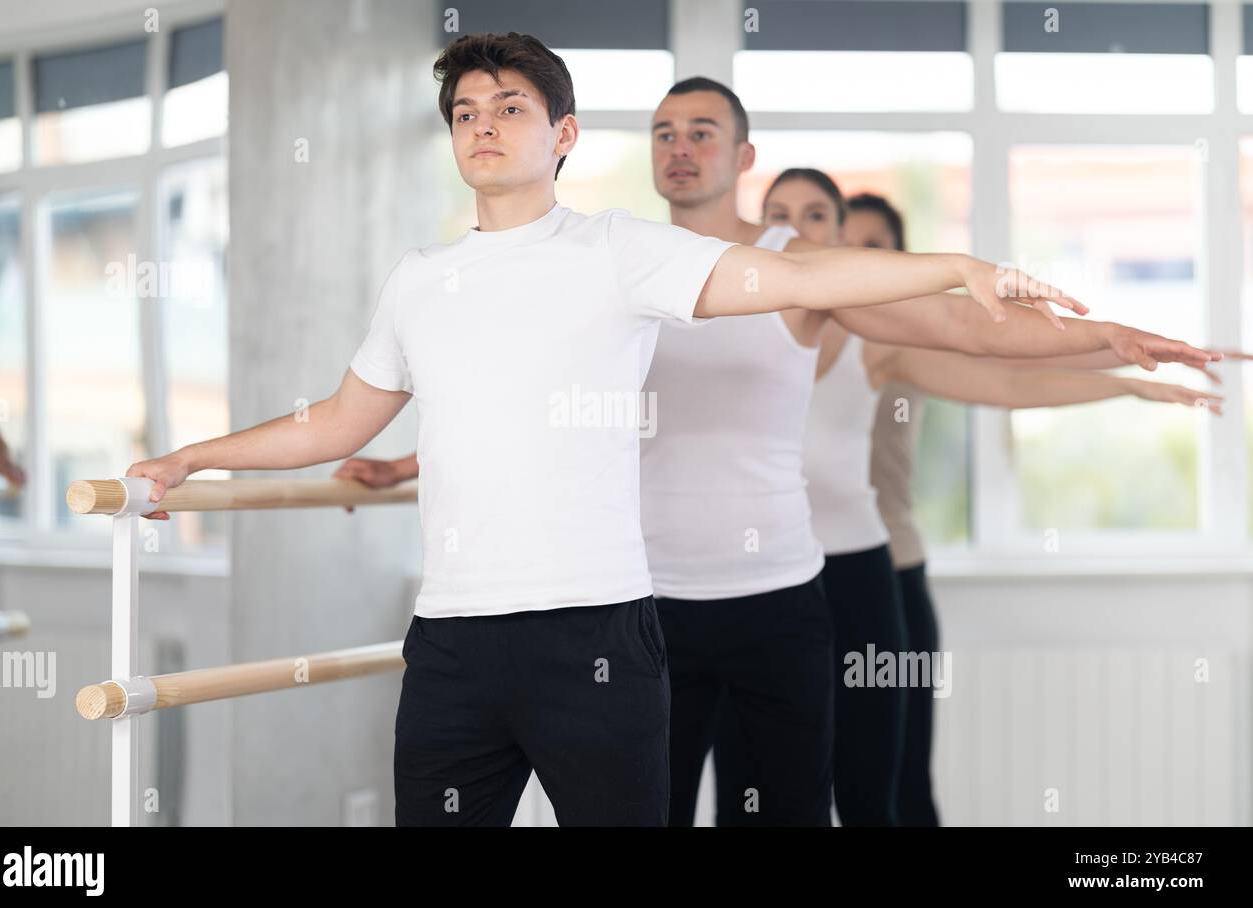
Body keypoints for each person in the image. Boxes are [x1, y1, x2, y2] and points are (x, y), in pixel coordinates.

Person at [119, 35, 1093, 827]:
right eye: (465, 114)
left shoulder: (621, 253)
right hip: (452, 644)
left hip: (599, 637)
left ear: (564, 134)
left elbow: (798, 279)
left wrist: (951, 265)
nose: (482, 128)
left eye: (509, 110)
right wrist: (192, 456)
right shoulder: (419, 279)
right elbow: (334, 421)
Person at [713, 174, 1221, 826]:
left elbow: (1001, 368)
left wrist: (1126, 373)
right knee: (757, 792)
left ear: (841, 240)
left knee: (880, 789)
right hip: (760, 583)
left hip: (859, 570)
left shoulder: (880, 339)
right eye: (779, 216)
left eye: (814, 217)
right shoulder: (730, 326)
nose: (796, 232)